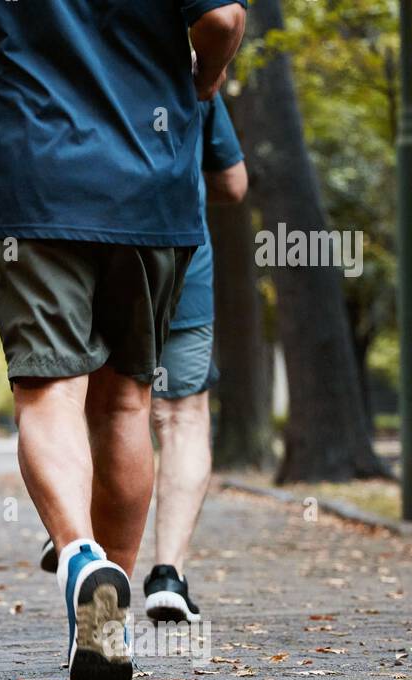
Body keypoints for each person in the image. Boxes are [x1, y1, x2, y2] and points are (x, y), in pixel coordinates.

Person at [0, 0, 247, 680]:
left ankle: (79, 553)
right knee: (128, 400)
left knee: (49, 390)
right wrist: (206, 78)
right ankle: (110, 612)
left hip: (37, 180)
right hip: (151, 188)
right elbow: (222, 18)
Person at [144, 94, 248, 624]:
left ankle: (81, 545)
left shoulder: (62, 40)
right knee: (180, 417)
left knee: (87, 401)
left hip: (79, 245)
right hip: (180, 252)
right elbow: (233, 182)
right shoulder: (191, 58)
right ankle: (167, 572)